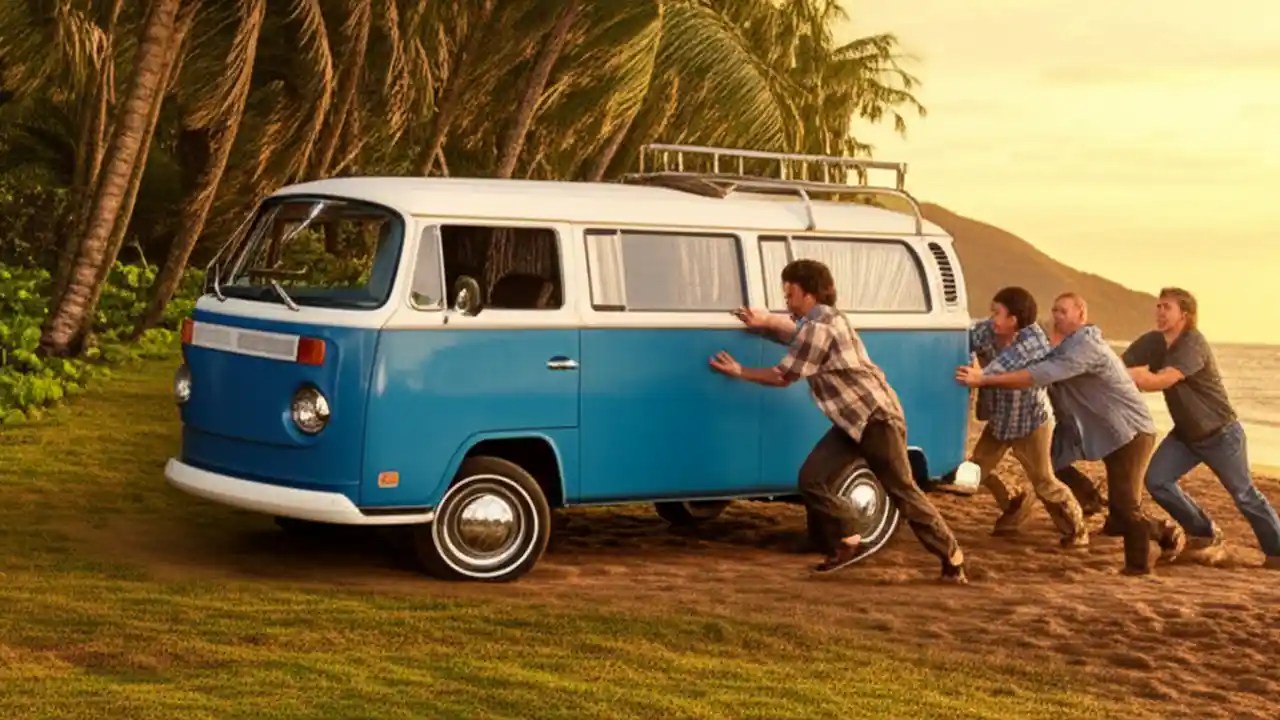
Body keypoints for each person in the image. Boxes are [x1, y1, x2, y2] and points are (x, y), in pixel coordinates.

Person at [709, 259, 967, 582]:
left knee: (902, 490)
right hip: (852, 422)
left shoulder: (820, 327)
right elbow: (795, 335)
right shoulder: (823, 321)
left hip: (876, 419)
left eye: (790, 294)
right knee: (812, 479)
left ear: (809, 295)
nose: (787, 301)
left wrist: (740, 371)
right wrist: (765, 324)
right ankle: (850, 538)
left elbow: (782, 376)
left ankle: (951, 555)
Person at [956, 292, 1184, 575]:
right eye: (1054, 310)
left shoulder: (1085, 347)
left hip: (1131, 432)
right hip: (1101, 431)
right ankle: (1101, 506)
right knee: (1060, 469)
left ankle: (1141, 563)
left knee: (1125, 509)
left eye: (1063, 311)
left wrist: (984, 379)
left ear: (1081, 314)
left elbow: (1038, 375)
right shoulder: (1063, 346)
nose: (1056, 316)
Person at [1122, 287, 1280, 570]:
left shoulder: (1193, 343)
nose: (1160, 312)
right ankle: (1203, 533)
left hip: (1221, 434)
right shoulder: (1153, 342)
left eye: (1167, 307)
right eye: (1158, 306)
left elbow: (1161, 380)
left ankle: (1277, 550)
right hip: (1185, 436)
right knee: (1157, 480)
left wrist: (1130, 376)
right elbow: (1117, 366)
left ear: (1185, 314)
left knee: (1244, 495)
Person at [966, 287, 1088, 545]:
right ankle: (1015, 500)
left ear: (1013, 320)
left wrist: (978, 376)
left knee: (1044, 481)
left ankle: (1077, 530)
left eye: (997, 313)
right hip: (1001, 418)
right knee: (974, 470)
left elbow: (997, 370)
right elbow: (963, 339)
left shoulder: (1034, 342)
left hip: (1031, 421)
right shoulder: (989, 329)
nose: (991, 318)